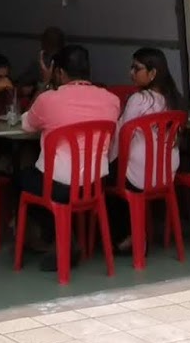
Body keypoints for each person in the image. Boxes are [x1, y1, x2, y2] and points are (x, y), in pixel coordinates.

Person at [13, 44, 120, 271]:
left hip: (59, 187)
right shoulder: (111, 100)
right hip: (95, 185)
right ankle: (65, 239)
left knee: (23, 177)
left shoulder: (49, 99)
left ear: (59, 72)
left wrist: (44, 83)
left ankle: (56, 239)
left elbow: (27, 125)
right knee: (43, 179)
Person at [108, 47, 185, 251]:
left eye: (136, 68)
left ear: (152, 73)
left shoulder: (138, 100)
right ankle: (137, 232)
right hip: (166, 175)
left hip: (138, 176)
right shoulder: (175, 100)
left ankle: (128, 236)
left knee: (104, 182)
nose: (130, 73)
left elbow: (123, 136)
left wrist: (107, 160)